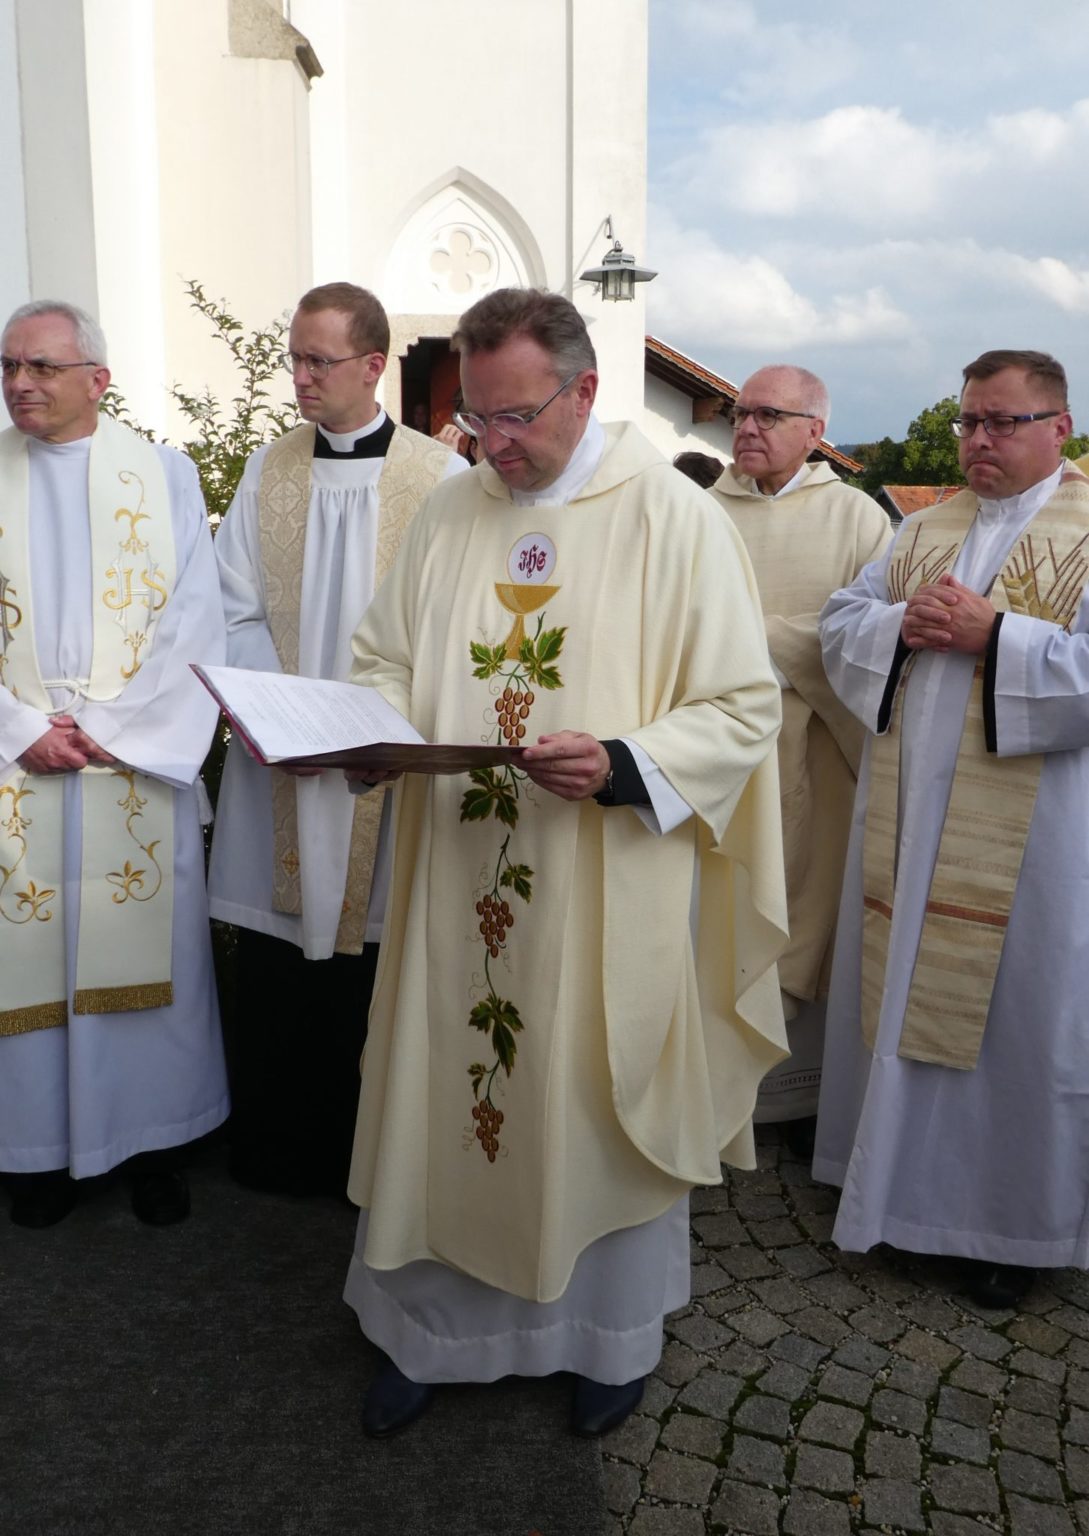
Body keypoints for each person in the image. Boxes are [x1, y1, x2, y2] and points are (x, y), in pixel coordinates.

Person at [341, 287, 788, 1439]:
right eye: (475, 417)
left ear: (585, 390)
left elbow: (743, 707)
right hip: (457, 876)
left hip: (605, 884)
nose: (494, 443)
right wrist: (368, 731)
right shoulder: (452, 510)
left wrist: (628, 762)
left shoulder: (672, 516)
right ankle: (431, 1334)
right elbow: (382, 657)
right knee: (451, 1094)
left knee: (589, 1102)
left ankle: (605, 1339)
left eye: (517, 416)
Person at [814, 349, 1089, 1310]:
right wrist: (896, 626)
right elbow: (838, 623)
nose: (978, 440)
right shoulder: (923, 527)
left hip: (1036, 843)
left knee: (1018, 1018)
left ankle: (1005, 1227)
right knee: (899, 997)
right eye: (970, 421)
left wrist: (997, 636)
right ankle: (889, 1188)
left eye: (1002, 422)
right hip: (908, 824)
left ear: (1058, 427)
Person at [207, 283, 466, 1197]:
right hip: (280, 749)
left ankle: (372, 1158)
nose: (301, 377)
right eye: (294, 359)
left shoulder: (441, 480)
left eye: (318, 360)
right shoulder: (267, 471)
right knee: (281, 959)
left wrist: (377, 729)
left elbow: (452, 623)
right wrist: (277, 713)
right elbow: (231, 604)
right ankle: (276, 1149)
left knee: (378, 951)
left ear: (373, 365)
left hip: (382, 757)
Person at [0, 300, 228, 1228]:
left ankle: (152, 1143)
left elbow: (196, 617)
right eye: (9, 366)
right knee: (27, 959)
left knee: (145, 965)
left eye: (41, 367)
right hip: (16, 762)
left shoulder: (164, 476)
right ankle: (36, 1153)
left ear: (97, 380)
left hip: (129, 756)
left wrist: (112, 730)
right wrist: (20, 727)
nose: (20, 383)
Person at [710, 367, 891, 1154]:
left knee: (805, 907)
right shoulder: (701, 510)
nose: (746, 427)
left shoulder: (856, 517)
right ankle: (717, 1091)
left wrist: (759, 643)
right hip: (719, 754)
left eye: (767, 415)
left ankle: (801, 1100)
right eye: (739, 413)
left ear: (814, 432)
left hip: (816, 752)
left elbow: (875, 631)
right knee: (722, 911)